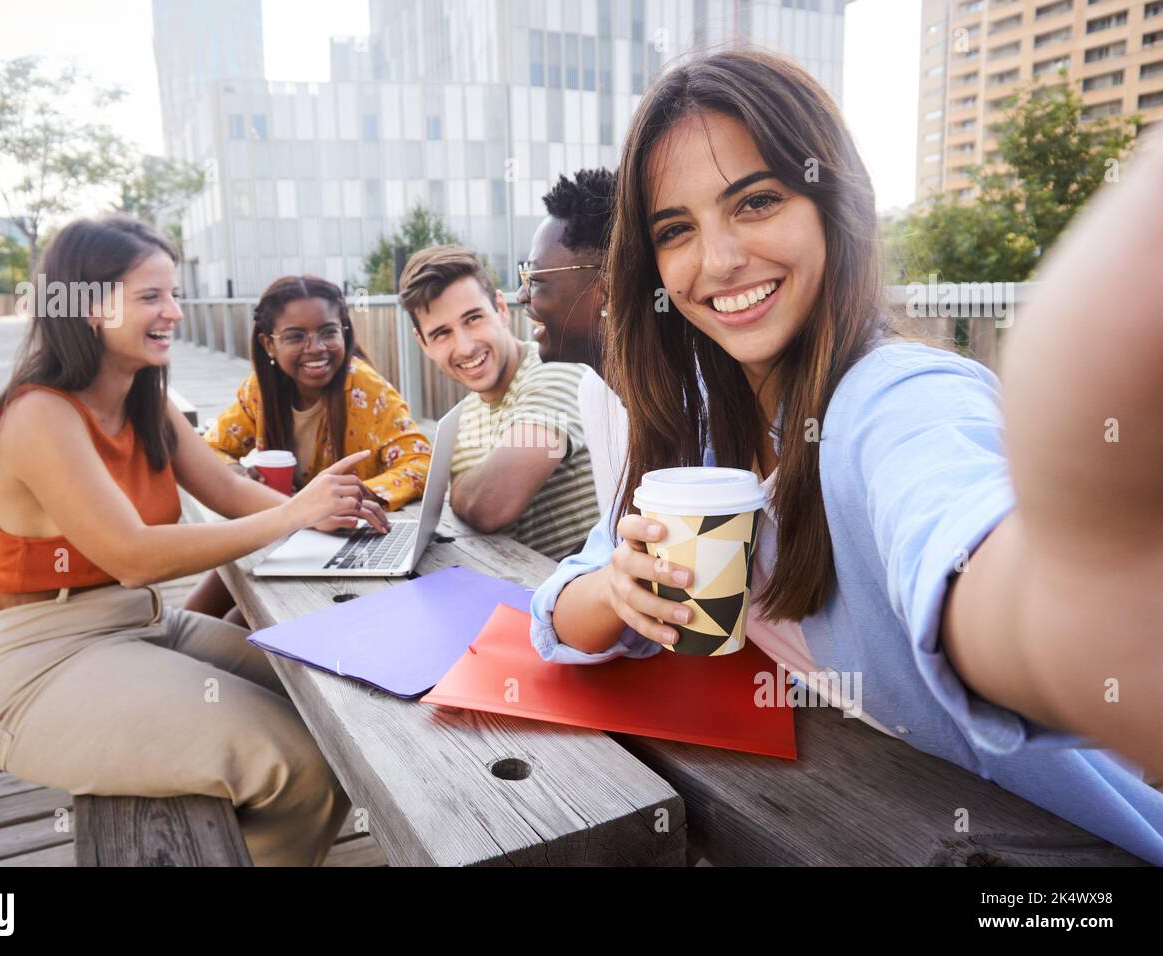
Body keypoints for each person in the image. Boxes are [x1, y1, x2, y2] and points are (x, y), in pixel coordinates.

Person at [529, 49, 1163, 863]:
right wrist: (617, 589)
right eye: (676, 230)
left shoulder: (892, 396)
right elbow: (561, 604)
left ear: (834, 203)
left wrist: (1086, 608)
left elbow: (970, 549)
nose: (718, 260)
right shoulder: (703, 424)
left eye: (755, 201)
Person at [0, 215, 376, 866]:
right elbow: (131, 555)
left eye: (175, 295)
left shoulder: (145, 400)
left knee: (327, 692)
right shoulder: (39, 414)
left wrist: (338, 525)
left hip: (143, 626)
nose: (175, 313)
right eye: (151, 297)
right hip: (44, 662)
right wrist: (296, 513)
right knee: (302, 766)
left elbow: (229, 489)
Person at [184, 274, 432, 622]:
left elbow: (420, 460)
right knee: (197, 610)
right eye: (295, 336)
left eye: (328, 332)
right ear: (268, 344)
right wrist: (237, 472)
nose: (315, 348)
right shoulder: (260, 392)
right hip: (286, 530)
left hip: (344, 542)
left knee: (235, 624)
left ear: (344, 331)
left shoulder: (365, 388)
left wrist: (354, 498)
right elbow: (210, 450)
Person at [399, 244, 598, 560]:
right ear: (422, 344)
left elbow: (492, 505)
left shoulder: (556, 368)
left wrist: (456, 489)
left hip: (580, 593)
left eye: (473, 318)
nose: (464, 346)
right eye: (441, 334)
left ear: (501, 309)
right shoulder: (461, 419)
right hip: (509, 586)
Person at [517, 168, 628, 521]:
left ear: (607, 290)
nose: (522, 295)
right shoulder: (595, 392)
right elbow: (613, 537)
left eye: (534, 279)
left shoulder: (697, 398)